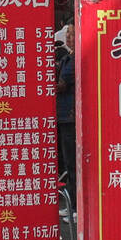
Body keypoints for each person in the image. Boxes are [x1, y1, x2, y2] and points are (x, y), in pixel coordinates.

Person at [54, 20, 76, 209]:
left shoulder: (75, 59)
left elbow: (61, 85)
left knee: (73, 163)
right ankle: (73, 205)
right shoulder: (67, 57)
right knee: (69, 163)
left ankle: (76, 206)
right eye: (67, 34)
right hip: (65, 116)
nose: (68, 37)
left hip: (71, 117)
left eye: (72, 34)